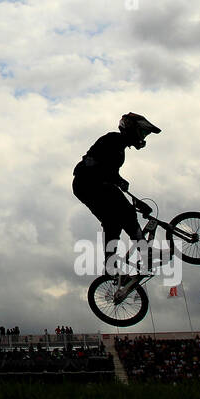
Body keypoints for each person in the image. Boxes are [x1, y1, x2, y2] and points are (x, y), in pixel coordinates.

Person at [73, 113, 162, 283]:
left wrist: (131, 194)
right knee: (126, 212)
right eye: (142, 133)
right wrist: (119, 181)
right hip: (88, 183)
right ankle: (145, 253)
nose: (143, 138)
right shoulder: (113, 140)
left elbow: (110, 173)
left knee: (112, 222)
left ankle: (111, 267)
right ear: (131, 129)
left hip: (92, 184)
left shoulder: (119, 148)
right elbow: (100, 167)